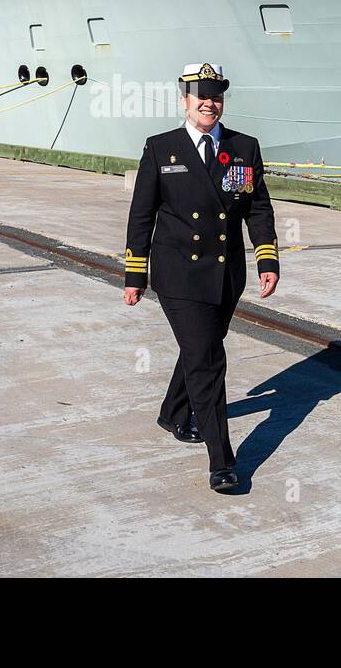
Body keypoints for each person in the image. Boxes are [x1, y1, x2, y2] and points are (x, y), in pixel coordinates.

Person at [122, 62, 280, 493]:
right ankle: (221, 460)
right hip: (179, 275)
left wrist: (267, 259)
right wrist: (135, 274)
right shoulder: (161, 148)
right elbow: (142, 215)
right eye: (200, 96)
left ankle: (173, 411)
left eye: (216, 96)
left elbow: (257, 208)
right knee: (209, 361)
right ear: (185, 101)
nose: (209, 103)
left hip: (227, 274)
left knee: (202, 349)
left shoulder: (242, 148)